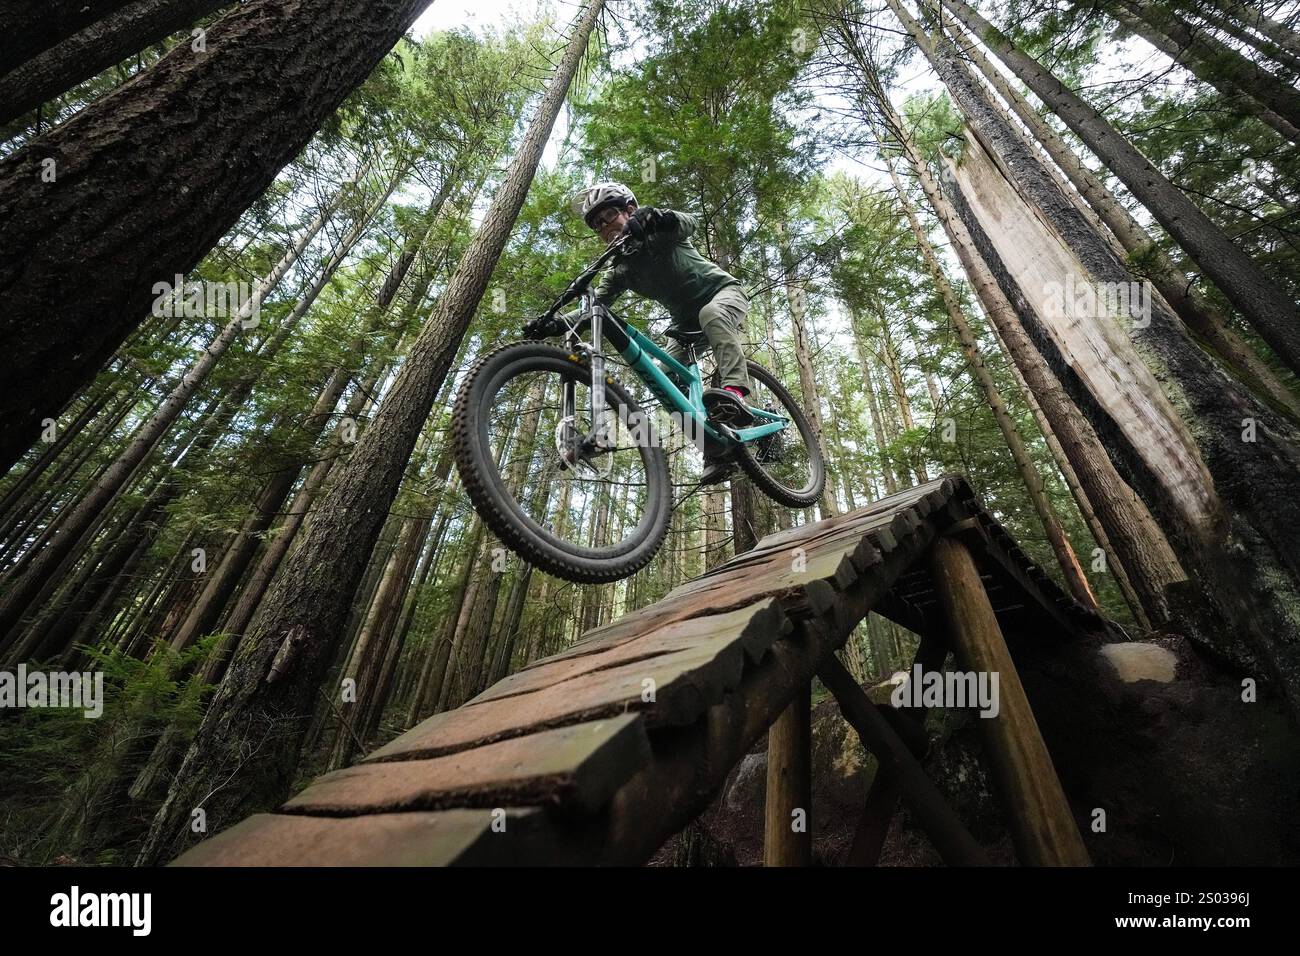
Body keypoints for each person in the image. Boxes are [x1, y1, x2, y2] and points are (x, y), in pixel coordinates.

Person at [572, 181, 754, 484]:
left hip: (724, 294)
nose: (604, 227)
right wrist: (554, 323)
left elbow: (688, 223)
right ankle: (714, 449)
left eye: (610, 215)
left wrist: (658, 217)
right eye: (597, 225)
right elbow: (594, 309)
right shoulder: (620, 269)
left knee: (711, 314)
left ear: (629, 209)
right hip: (685, 326)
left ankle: (735, 393)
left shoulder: (660, 232)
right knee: (665, 382)